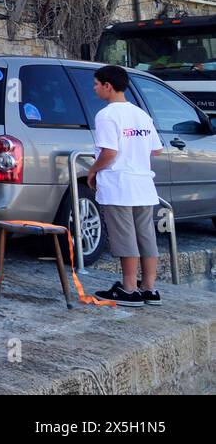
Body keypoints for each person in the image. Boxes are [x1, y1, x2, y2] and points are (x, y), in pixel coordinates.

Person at [87, 65, 163, 307]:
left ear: (108, 86)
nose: (95, 88)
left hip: (119, 184)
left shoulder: (106, 115)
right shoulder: (141, 114)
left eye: (97, 84)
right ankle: (149, 288)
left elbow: (109, 152)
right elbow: (156, 149)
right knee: (145, 236)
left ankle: (129, 288)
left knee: (125, 237)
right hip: (143, 183)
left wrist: (93, 170)